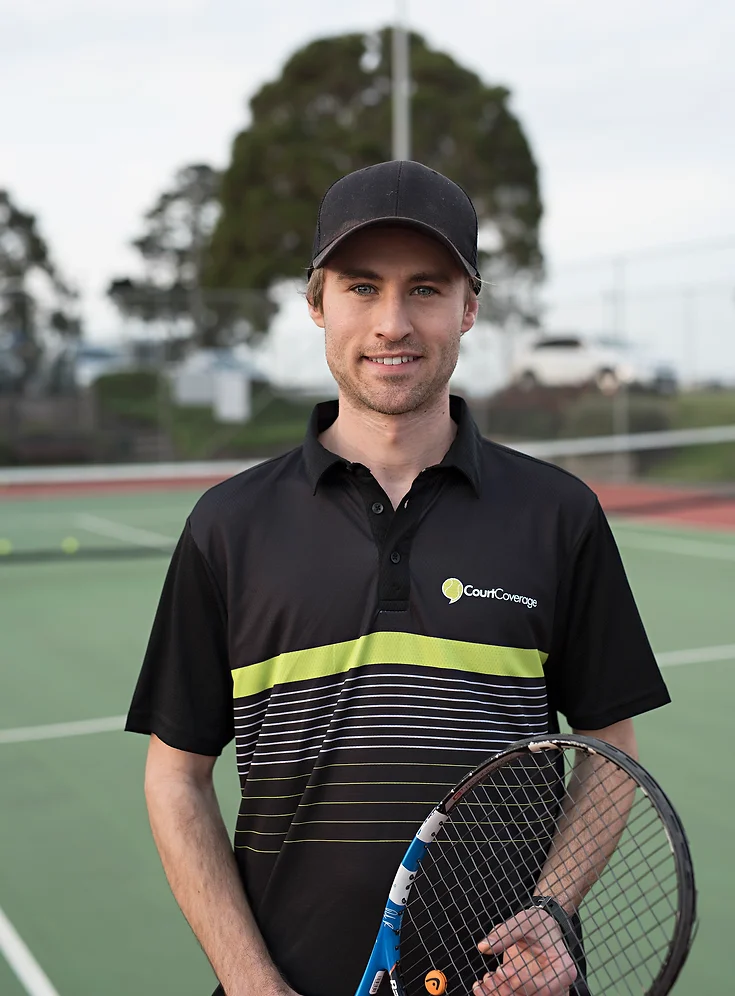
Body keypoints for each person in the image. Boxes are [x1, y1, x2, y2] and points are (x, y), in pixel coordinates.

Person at [126, 160, 670, 996]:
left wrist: (554, 910)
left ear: (470, 306)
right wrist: (250, 982)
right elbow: (176, 776)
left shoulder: (558, 514)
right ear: (315, 303)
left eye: (424, 288)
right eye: (359, 287)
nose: (392, 322)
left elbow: (609, 747)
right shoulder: (227, 526)